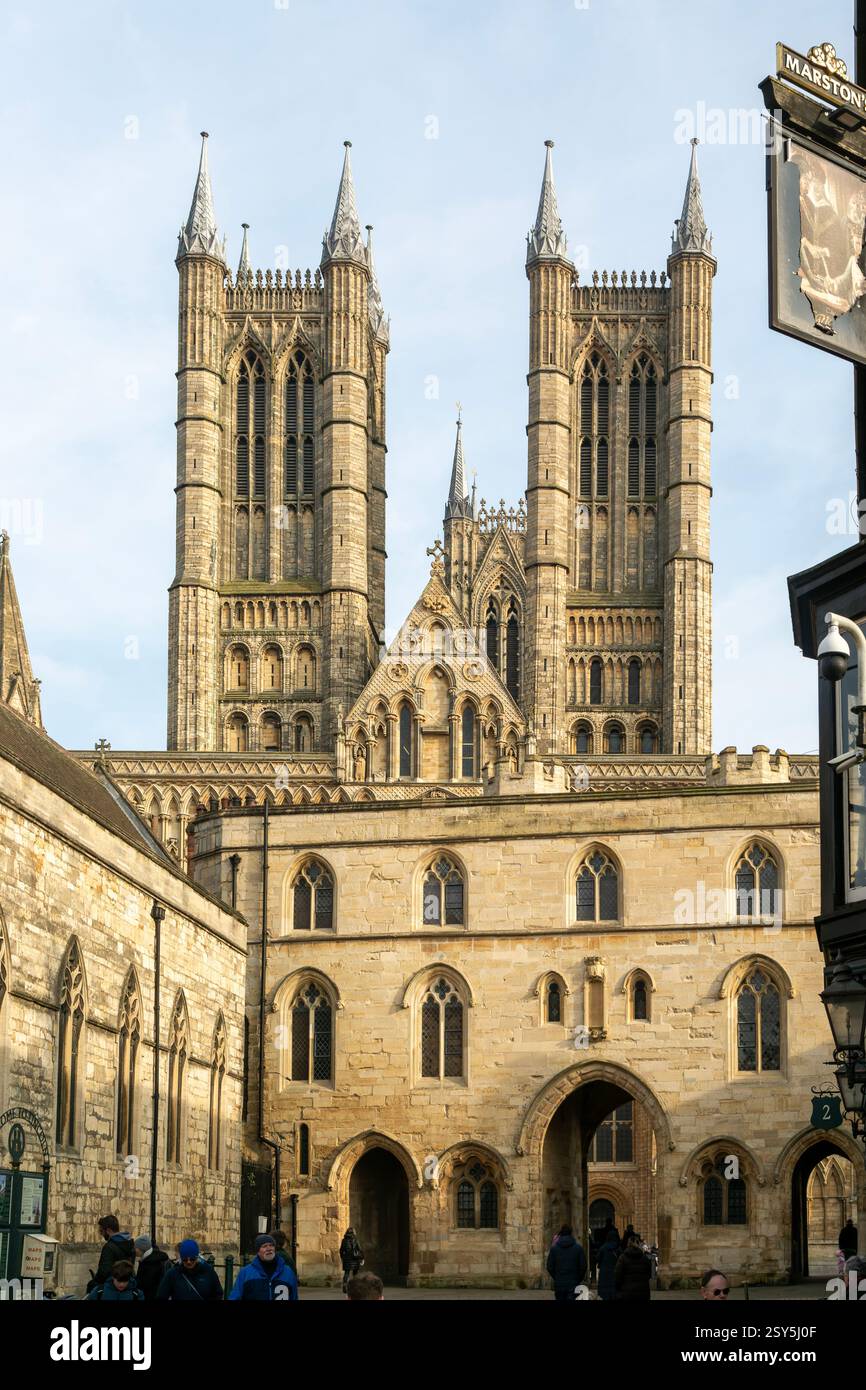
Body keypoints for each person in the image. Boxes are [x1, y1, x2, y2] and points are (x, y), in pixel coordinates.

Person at [228, 1233, 299, 1301]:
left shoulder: (287, 1271)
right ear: (258, 1251)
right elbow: (235, 1296)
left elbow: (294, 1296)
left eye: (271, 1245)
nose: (269, 1249)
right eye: (264, 1246)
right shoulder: (245, 1273)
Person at [156, 1239, 223, 1301]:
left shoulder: (208, 1271)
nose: (189, 1262)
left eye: (192, 1259)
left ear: (197, 1257)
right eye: (185, 1259)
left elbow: (218, 1293)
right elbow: (161, 1296)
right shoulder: (172, 1274)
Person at [86, 1215, 135, 1294]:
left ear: (108, 1230)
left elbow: (104, 1272)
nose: (101, 1234)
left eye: (101, 1231)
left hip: (111, 1287)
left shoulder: (109, 1247)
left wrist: (94, 1281)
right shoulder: (130, 1244)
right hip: (128, 1285)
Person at [545, 1224, 587, 1302]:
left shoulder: (554, 1249)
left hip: (559, 1283)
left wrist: (557, 1277)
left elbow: (549, 1266)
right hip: (573, 1283)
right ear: (571, 1233)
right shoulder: (578, 1248)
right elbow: (583, 1266)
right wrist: (578, 1279)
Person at [614, 1231, 652, 1302]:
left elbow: (617, 1275)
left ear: (628, 1244)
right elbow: (649, 1273)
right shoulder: (644, 1258)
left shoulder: (622, 1258)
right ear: (638, 1244)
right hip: (643, 1292)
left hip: (627, 1292)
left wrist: (619, 1288)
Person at [133, 1236, 169, 1301]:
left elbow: (145, 1285)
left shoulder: (150, 1263)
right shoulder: (151, 1258)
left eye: (135, 1247)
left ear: (142, 1249)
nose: (134, 1250)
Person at [596, 1226, 622, 1302]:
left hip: (604, 1273)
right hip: (616, 1273)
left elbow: (598, 1258)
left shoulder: (603, 1248)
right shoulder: (618, 1249)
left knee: (605, 1295)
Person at [339, 1227, 363, 1293]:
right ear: (354, 1232)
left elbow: (341, 1250)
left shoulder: (344, 1240)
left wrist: (342, 1257)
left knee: (346, 1273)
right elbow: (359, 1249)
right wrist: (362, 1258)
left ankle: (345, 1285)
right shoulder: (355, 1239)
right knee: (355, 1273)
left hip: (347, 1259)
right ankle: (355, 1287)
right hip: (355, 1259)